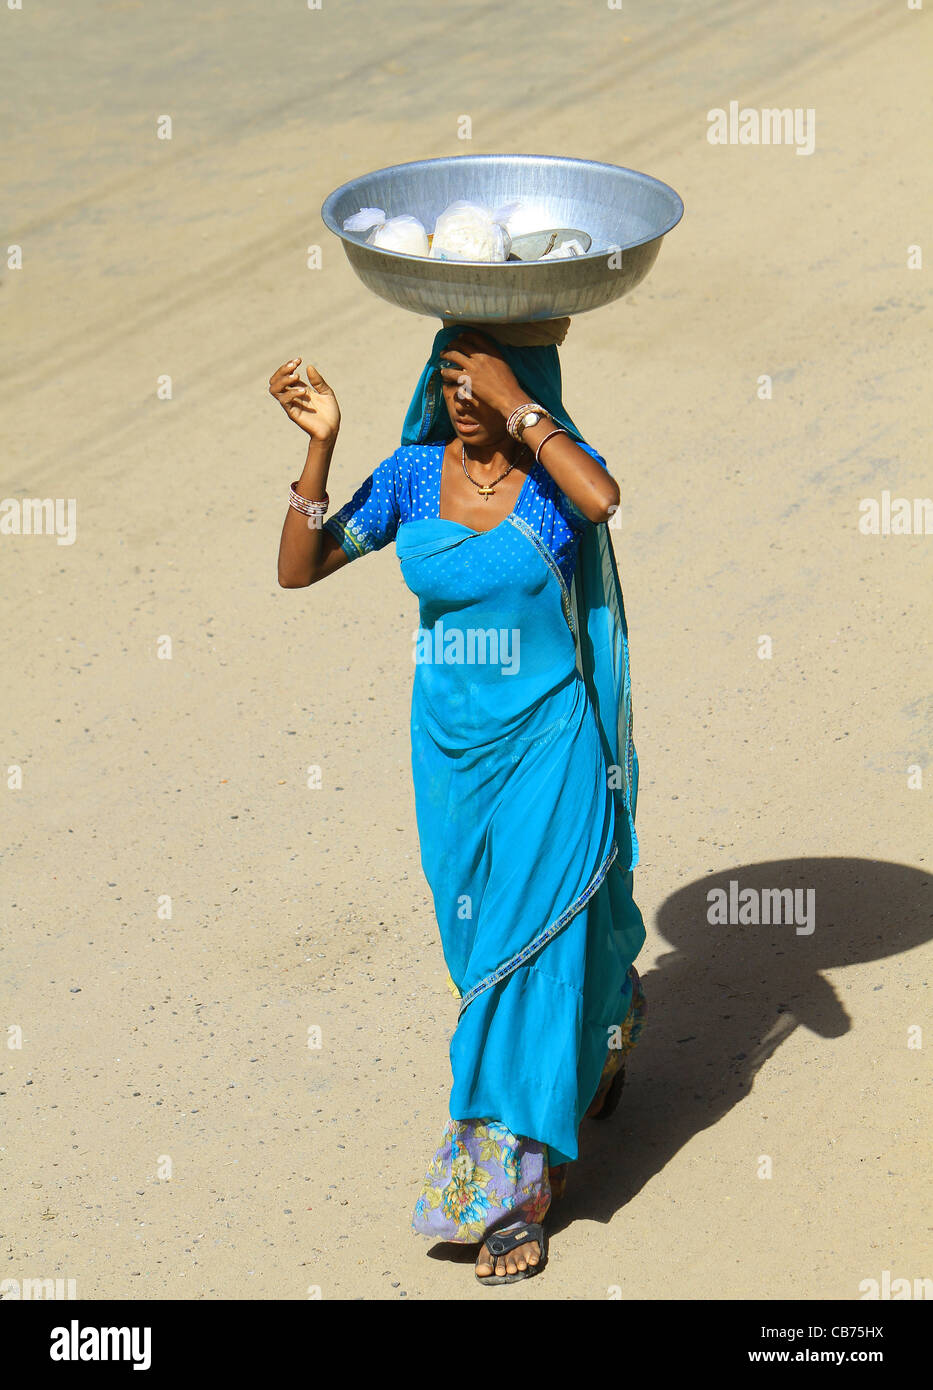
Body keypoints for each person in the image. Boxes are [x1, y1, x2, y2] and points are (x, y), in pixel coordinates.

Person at [271, 323, 647, 1286]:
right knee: (482, 950)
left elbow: (604, 500)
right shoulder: (409, 474)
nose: (463, 392)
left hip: (551, 748)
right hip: (449, 754)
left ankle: (510, 1190)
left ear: (518, 379)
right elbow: (299, 567)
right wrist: (319, 445)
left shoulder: (556, 477)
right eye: (450, 374)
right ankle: (607, 1025)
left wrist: (523, 408)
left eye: (479, 373)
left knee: (520, 962)